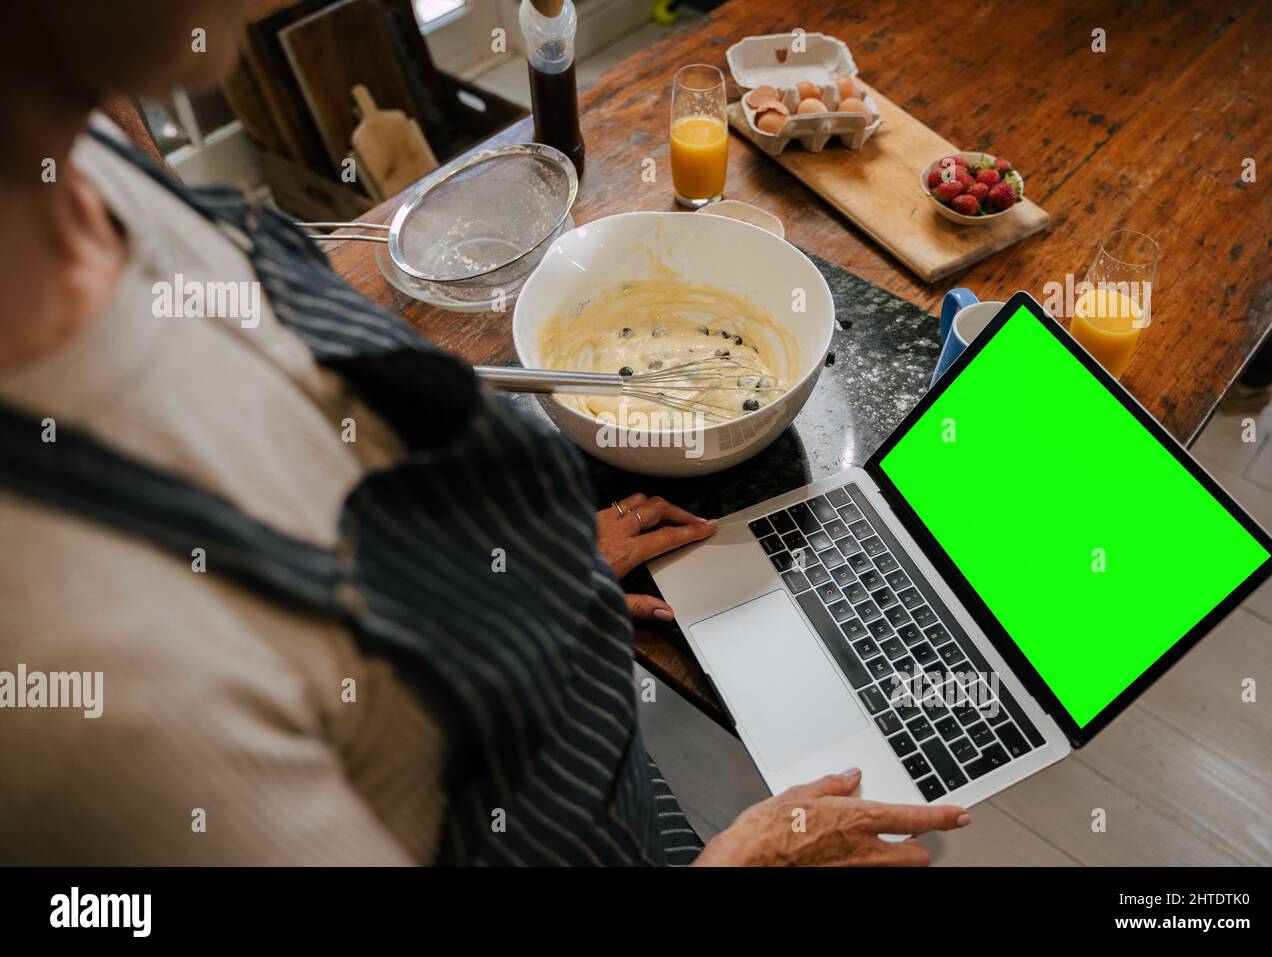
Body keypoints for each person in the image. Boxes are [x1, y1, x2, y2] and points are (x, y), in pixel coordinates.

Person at [0, 1, 970, 865]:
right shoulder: (87, 702)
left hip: (587, 775)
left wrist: (508, 571)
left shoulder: (90, 167)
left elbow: (283, 473)